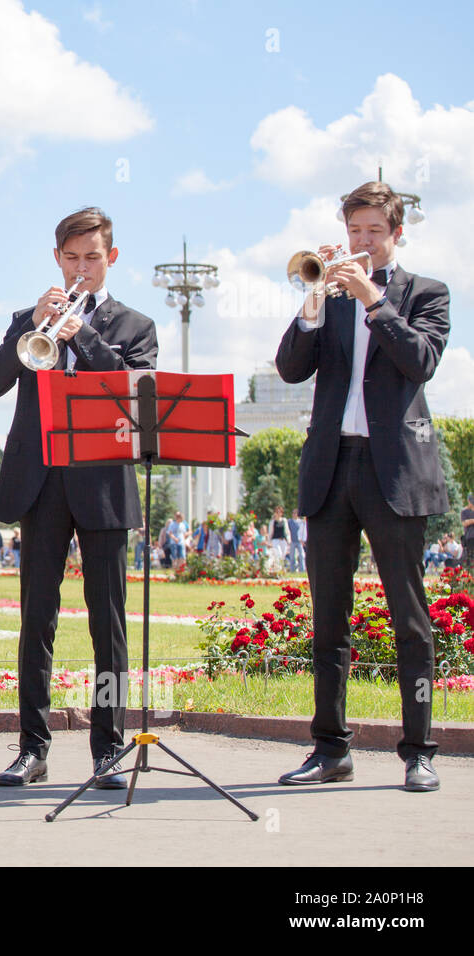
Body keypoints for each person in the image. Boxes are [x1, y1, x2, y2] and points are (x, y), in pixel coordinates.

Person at [275, 180, 449, 793]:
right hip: (332, 465)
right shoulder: (331, 294)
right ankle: (330, 749)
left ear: (397, 234)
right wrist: (313, 304)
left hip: (395, 468)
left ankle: (419, 750)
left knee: (409, 616)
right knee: (329, 619)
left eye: (374, 231)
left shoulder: (425, 293)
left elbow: (419, 362)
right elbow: (291, 368)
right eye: (354, 231)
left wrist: (373, 297)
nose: (361, 242)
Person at [0, 206, 157, 788]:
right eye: (72, 258)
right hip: (42, 481)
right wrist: (31, 323)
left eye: (94, 258)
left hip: (104, 483)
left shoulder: (135, 325)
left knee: (109, 622)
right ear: (56, 258)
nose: (82, 269)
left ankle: (108, 746)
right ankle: (32, 746)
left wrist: (89, 337)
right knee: (37, 619)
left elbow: (136, 396)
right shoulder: (26, 319)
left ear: (112, 258)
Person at [462, 493, 474, 572]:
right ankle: (469, 572)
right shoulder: (465, 512)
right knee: (470, 555)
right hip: (470, 537)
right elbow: (464, 523)